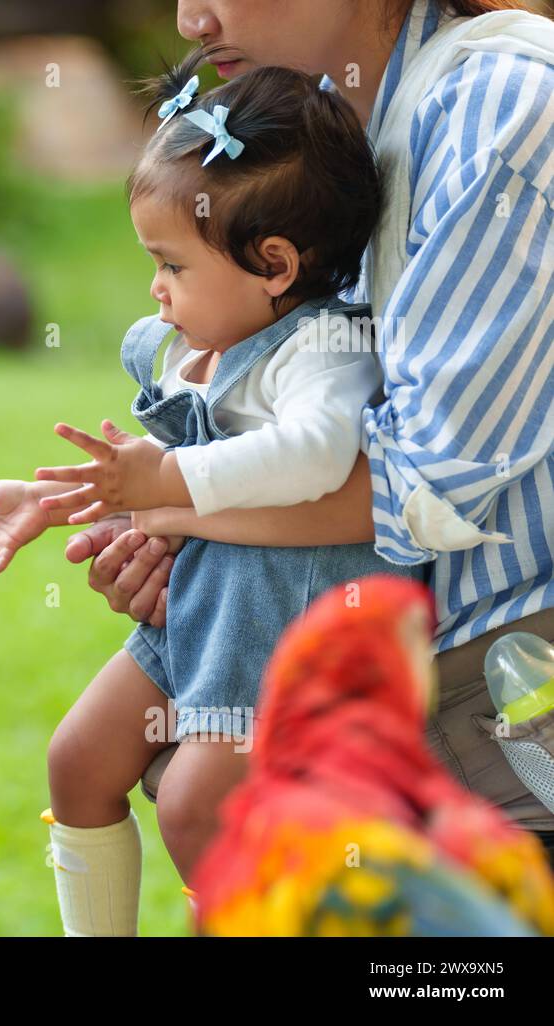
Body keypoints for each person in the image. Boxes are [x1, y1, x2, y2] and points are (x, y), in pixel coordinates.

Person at [0, 49, 424, 935]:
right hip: (198, 618)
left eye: (172, 264)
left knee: (196, 803)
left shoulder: (324, 351)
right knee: (78, 758)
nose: (155, 288)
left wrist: (164, 479)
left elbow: (316, 457)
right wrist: (51, 499)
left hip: (280, 637)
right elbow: (137, 479)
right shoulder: (190, 349)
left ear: (275, 264)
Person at [74, 0, 554, 870]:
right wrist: (164, 531)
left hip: (505, 711)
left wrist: (172, 504)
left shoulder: (502, 109)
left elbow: (419, 491)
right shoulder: (330, 134)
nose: (190, 18)